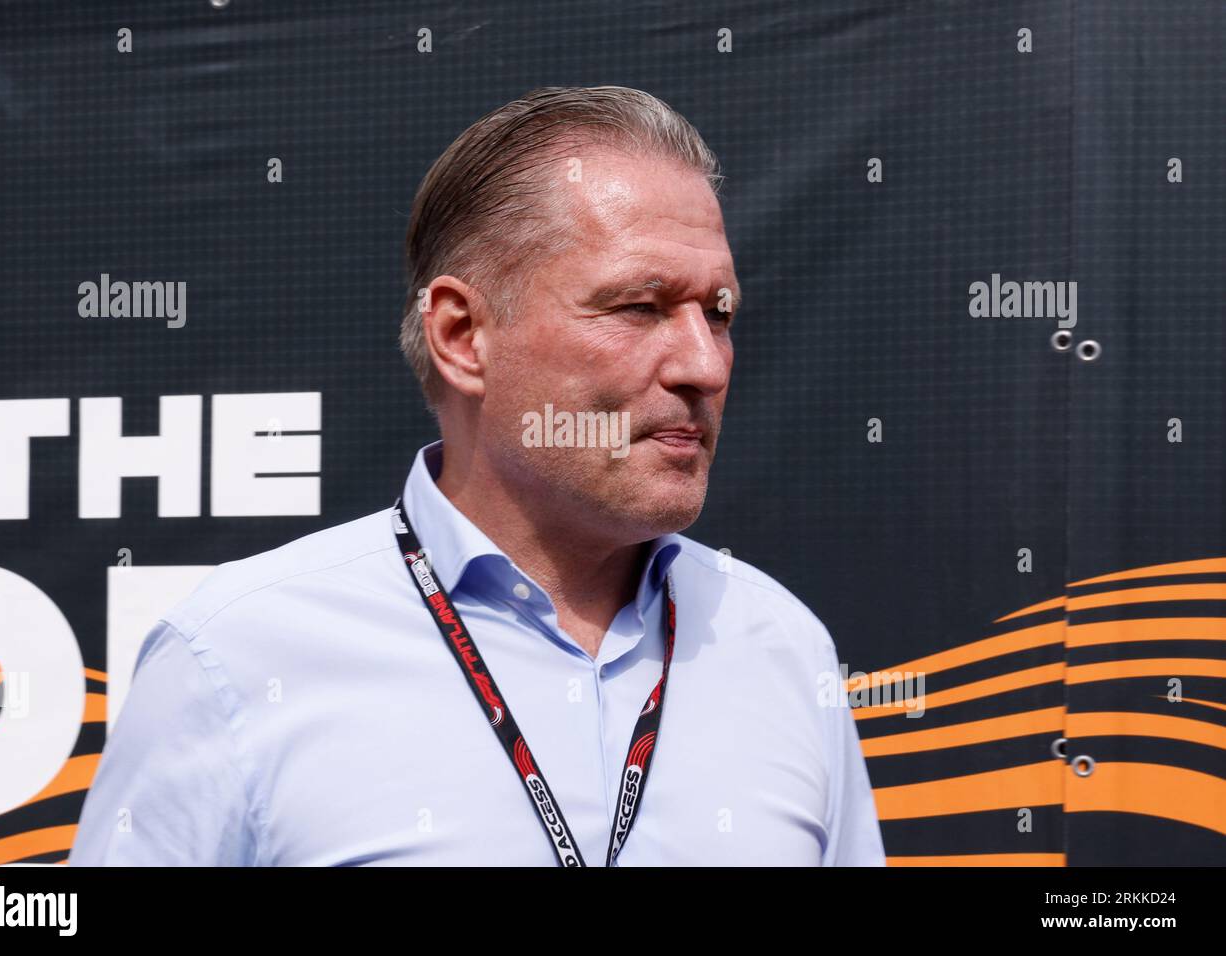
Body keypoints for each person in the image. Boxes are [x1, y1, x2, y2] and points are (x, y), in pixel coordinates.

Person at [69, 86, 886, 866]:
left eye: (719, 312)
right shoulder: (232, 659)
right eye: (640, 307)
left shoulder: (782, 647)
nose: (704, 366)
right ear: (463, 336)